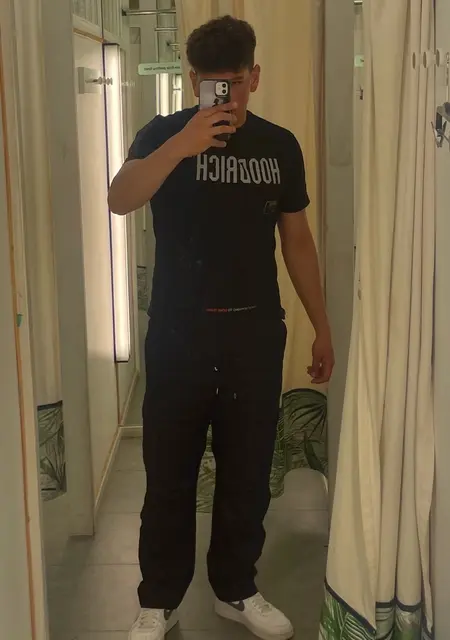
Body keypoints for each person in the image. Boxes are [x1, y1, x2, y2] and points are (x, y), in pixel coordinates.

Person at [108, 15, 334, 640]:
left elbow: (297, 239)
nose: (224, 97)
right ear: (192, 81)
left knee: (247, 475)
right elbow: (119, 198)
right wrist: (181, 146)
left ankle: (236, 588)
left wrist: (322, 324)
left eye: (233, 83)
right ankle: (159, 599)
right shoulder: (162, 133)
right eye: (211, 85)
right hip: (178, 333)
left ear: (254, 77)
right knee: (168, 474)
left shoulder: (279, 145)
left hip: (253, 334)